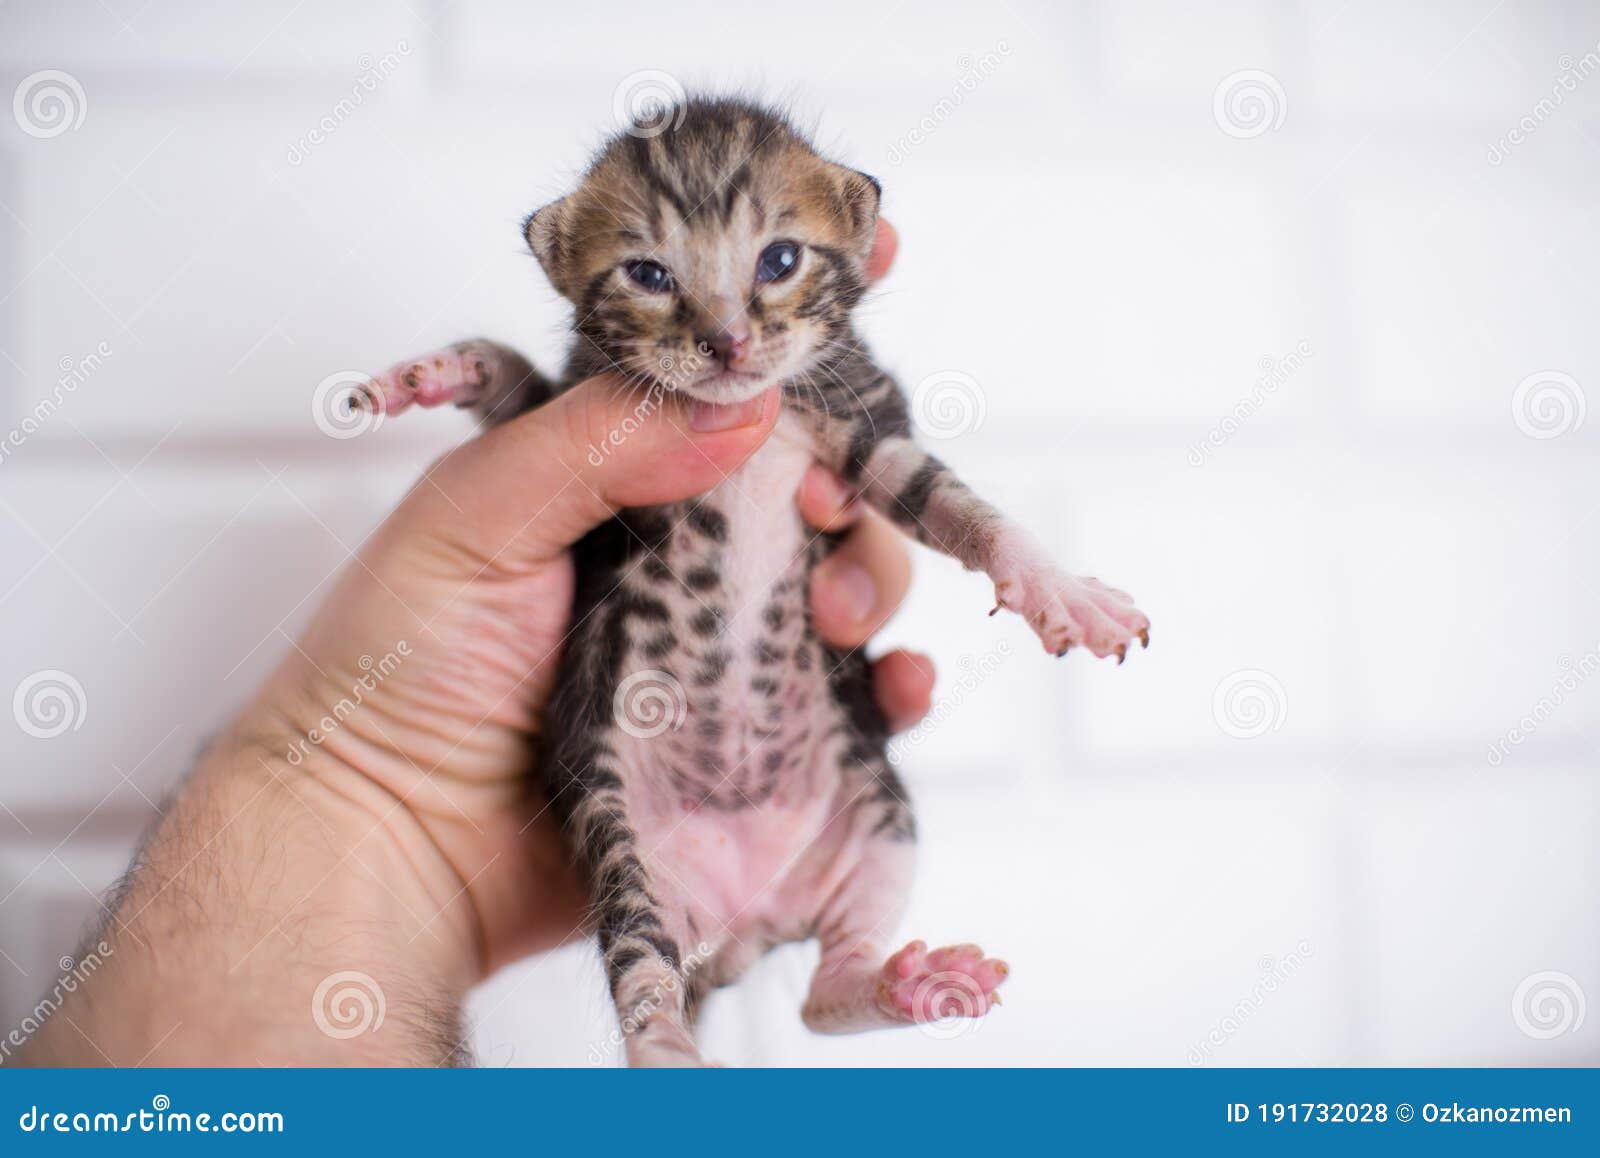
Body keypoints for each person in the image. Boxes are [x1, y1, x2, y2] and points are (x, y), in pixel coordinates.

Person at [22, 224, 933, 1066]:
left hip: (787, 783)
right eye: (654, 275)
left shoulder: (802, 377)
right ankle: (672, 1040)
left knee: (873, 813)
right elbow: (552, 422)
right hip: (640, 792)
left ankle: (842, 973)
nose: (726, 330)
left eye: (772, 263)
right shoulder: (618, 396)